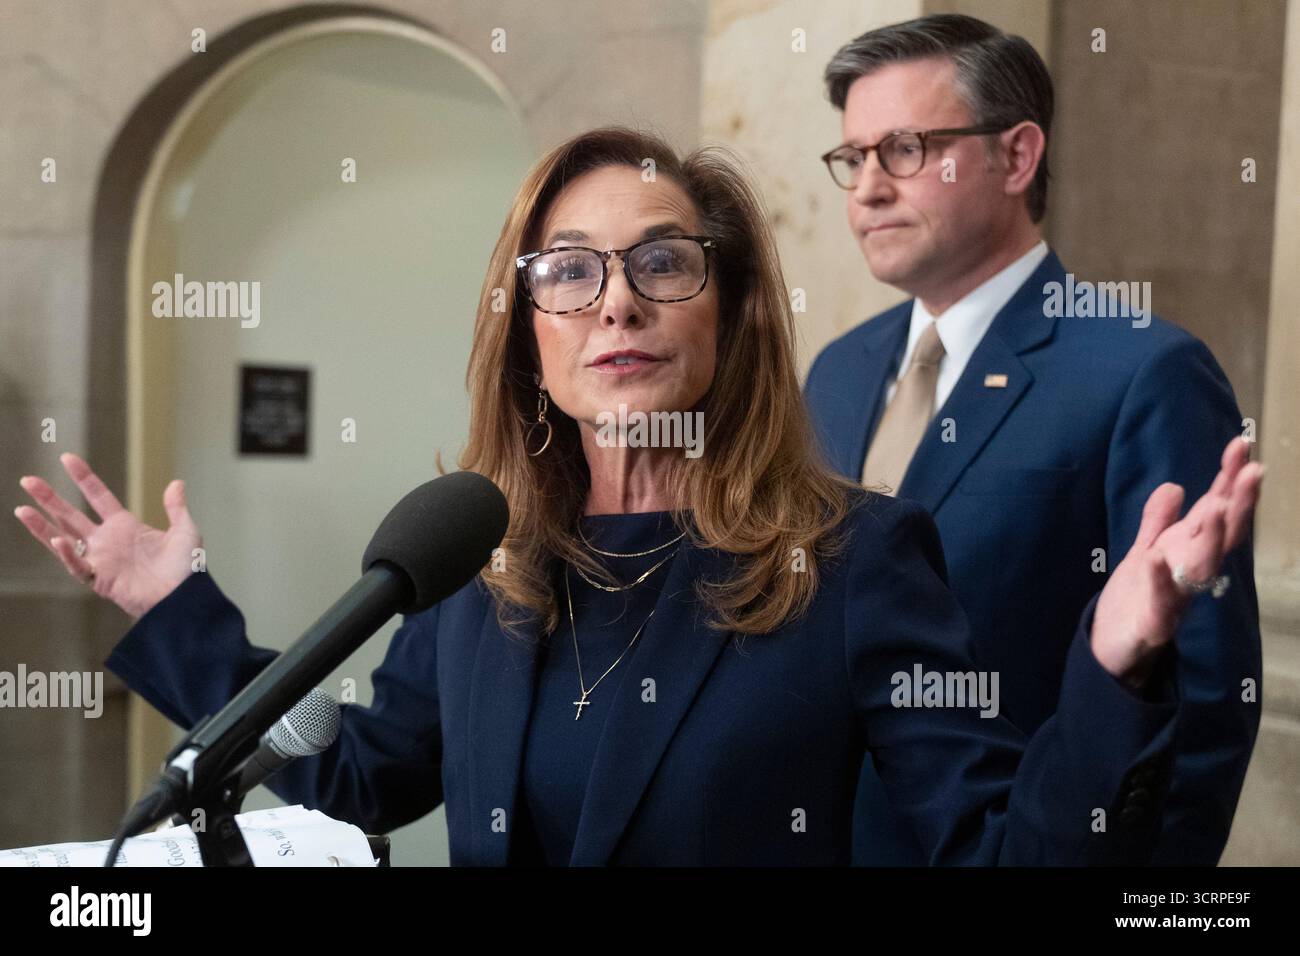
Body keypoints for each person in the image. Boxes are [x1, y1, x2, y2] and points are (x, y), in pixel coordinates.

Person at [15, 126, 1262, 866]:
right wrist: (177, 608)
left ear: (726, 314)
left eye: (661, 262)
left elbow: (1004, 856)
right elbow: (370, 772)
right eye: (568, 271)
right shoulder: (475, 552)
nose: (615, 300)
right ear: (529, 334)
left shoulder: (852, 556)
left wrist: (1114, 666)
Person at [805, 14, 1262, 866]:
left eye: (904, 148)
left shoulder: (1146, 372)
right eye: (853, 158)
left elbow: (1201, 708)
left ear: (1016, 157)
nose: (867, 188)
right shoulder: (836, 370)